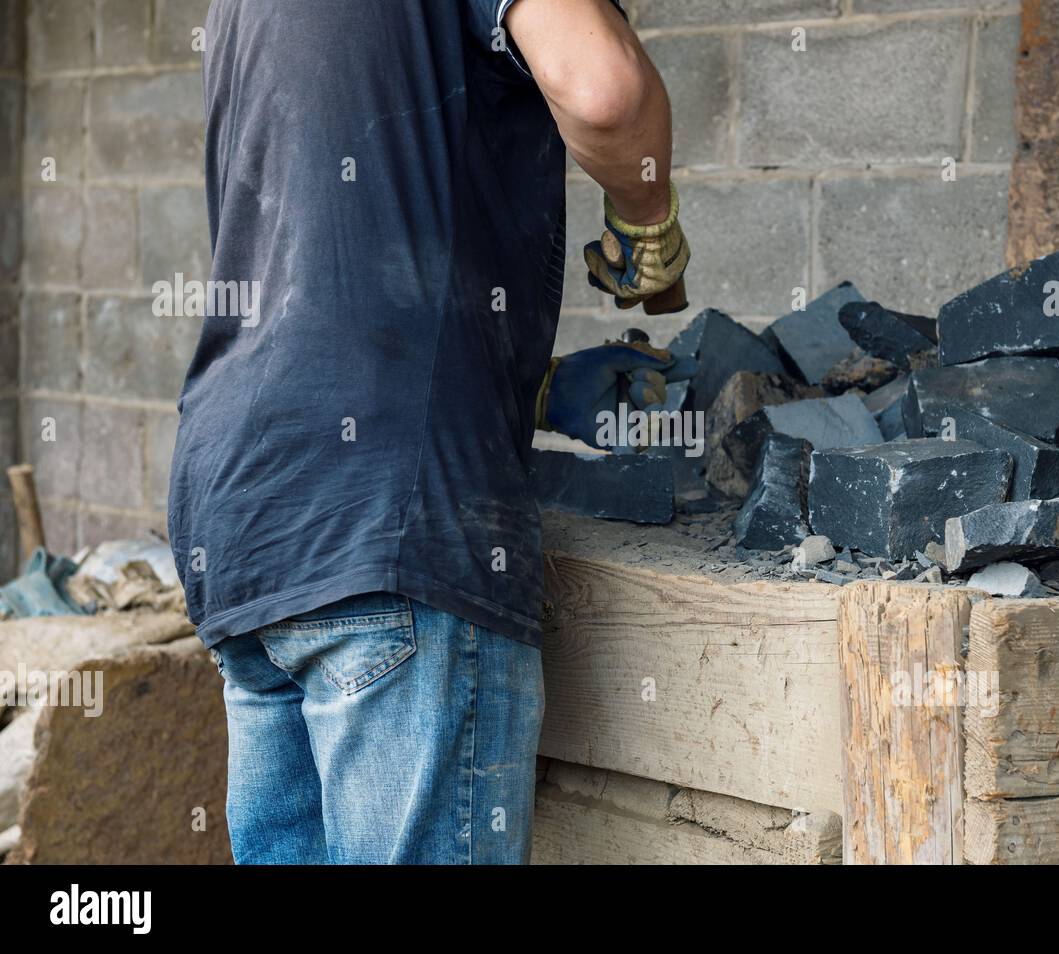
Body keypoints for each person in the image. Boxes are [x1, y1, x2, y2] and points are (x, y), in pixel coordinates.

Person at [168, 0, 691, 864]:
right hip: (390, 534)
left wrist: (528, 387)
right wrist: (647, 219)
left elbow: (322, 250)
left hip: (242, 517)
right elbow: (605, 94)